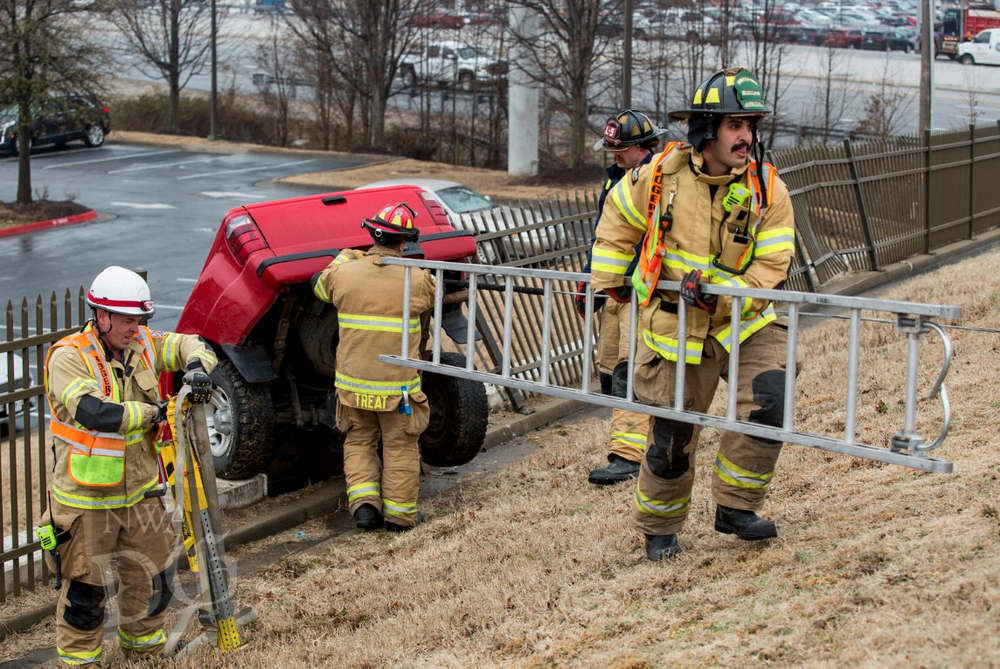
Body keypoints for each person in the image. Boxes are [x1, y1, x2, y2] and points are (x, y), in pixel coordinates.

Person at [590, 67, 797, 561]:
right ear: (706, 130)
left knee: (769, 403)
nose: (745, 135)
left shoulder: (770, 190)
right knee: (672, 437)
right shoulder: (658, 176)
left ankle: (736, 507)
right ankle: (660, 530)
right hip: (674, 329)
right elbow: (617, 218)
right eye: (734, 125)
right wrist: (612, 279)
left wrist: (723, 297)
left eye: (750, 125)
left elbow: (771, 266)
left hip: (746, 321)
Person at [43, 266, 217, 666]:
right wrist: (154, 412)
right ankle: (80, 662)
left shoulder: (143, 343)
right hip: (85, 503)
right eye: (126, 320)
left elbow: (193, 343)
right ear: (100, 316)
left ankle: (145, 654)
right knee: (85, 597)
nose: (134, 328)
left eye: (139, 320)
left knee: (154, 583)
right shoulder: (69, 356)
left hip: (140, 495)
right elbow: (94, 412)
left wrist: (196, 368)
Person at [312, 203, 436, 532]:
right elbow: (431, 298)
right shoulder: (418, 279)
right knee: (399, 446)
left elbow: (320, 287)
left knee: (358, 441)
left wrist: (346, 257)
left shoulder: (343, 273)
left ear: (371, 235)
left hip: (353, 383)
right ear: (404, 243)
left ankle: (365, 509)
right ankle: (399, 517)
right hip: (398, 388)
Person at [577, 109, 667, 485]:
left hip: (642, 294)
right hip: (614, 293)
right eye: (610, 147)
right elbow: (607, 238)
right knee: (610, 369)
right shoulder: (615, 180)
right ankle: (633, 445)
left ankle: (628, 457)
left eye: (620, 148)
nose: (613, 154)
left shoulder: (660, 183)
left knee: (632, 371)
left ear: (643, 147)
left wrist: (633, 277)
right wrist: (590, 279)